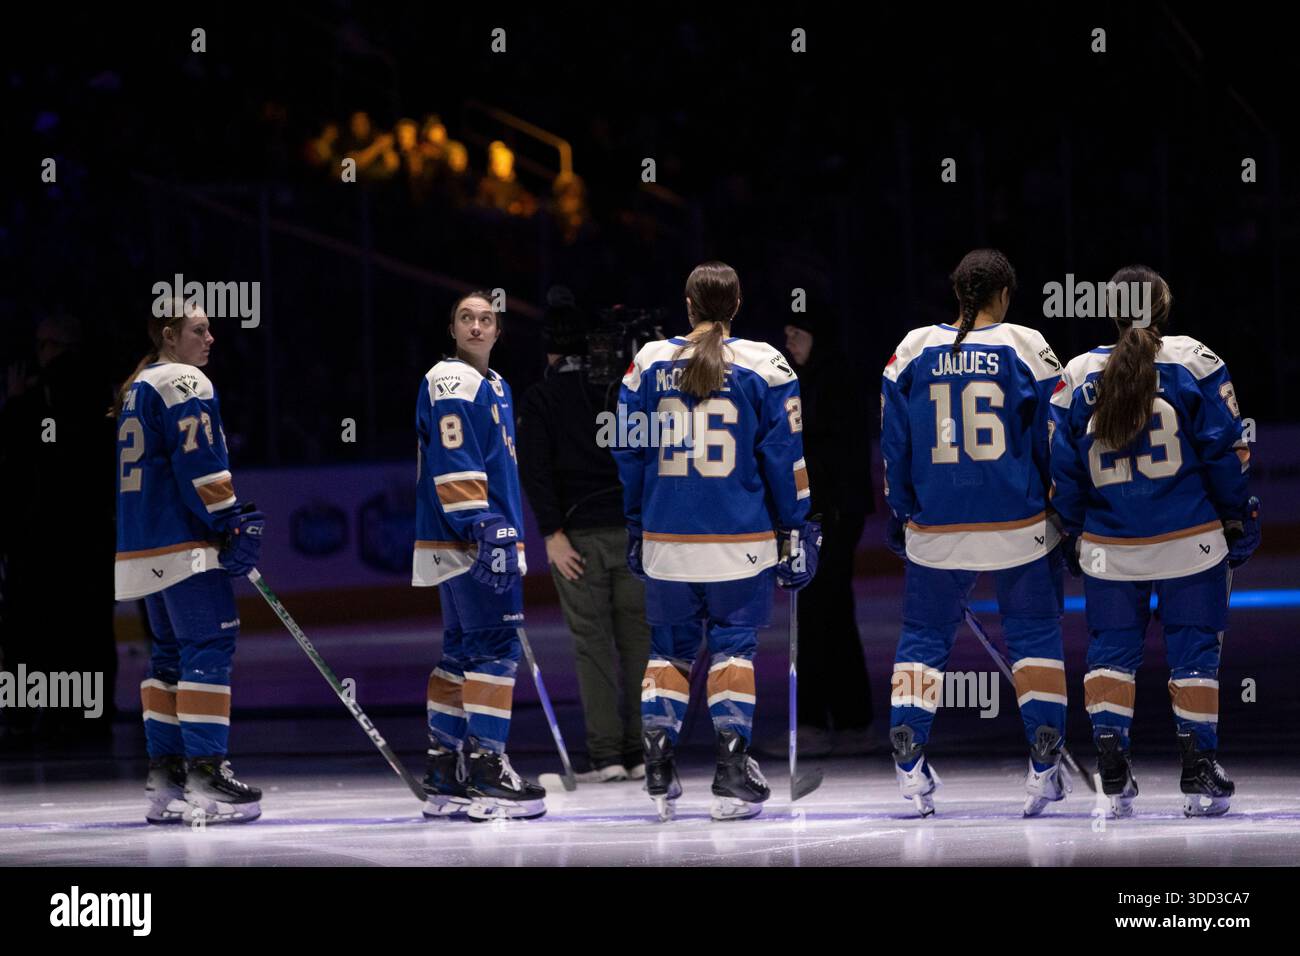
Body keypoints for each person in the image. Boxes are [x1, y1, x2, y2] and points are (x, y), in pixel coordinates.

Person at [613, 261, 821, 822]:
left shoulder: (647, 364)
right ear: (737, 304)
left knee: (669, 651)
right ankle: (730, 770)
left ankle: (658, 765)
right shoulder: (766, 365)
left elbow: (629, 455)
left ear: (687, 304)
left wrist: (637, 523)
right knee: (733, 649)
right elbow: (786, 458)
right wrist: (797, 524)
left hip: (666, 538)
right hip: (740, 541)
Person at [1050, 265, 1259, 818]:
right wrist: (1238, 513)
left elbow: (1063, 469)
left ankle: (1112, 766)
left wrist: (1072, 525)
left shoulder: (1077, 374)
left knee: (1111, 653)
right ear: (1164, 307)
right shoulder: (1195, 360)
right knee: (1193, 653)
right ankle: (1198, 768)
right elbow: (1224, 450)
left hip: (1109, 545)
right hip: (1189, 538)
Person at [880, 249, 1069, 817]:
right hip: (1020, 523)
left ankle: (909, 762)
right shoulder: (1027, 346)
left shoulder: (911, 349)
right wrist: (1061, 509)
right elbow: (1054, 441)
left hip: (937, 523)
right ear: (1003, 295)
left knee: (921, 642)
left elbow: (894, 444)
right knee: (1035, 639)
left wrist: (901, 510)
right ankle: (1044, 763)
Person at [112, 300, 266, 824]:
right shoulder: (185, 381)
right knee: (209, 645)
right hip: (183, 544)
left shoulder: (140, 384)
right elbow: (199, 462)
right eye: (199, 329)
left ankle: (166, 779)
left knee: (168, 659)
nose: (211, 338)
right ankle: (206, 774)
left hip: (141, 545)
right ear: (170, 336)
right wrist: (230, 522)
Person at [413, 291, 546, 821]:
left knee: (461, 654)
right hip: (473, 541)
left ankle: (445, 771)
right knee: (494, 651)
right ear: (452, 328)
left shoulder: (495, 385)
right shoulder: (453, 381)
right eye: (466, 318)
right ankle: (488, 770)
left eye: (485, 319)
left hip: (467, 539)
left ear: (498, 331)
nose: (475, 326)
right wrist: (484, 524)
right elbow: (455, 458)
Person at [517, 297, 651, 782]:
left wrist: (550, 532)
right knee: (638, 641)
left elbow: (534, 471)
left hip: (576, 538)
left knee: (593, 644)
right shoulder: (622, 389)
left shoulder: (542, 398)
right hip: (630, 532)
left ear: (550, 351)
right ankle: (641, 753)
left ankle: (608, 756)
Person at [777, 301, 875, 756]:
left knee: (821, 611)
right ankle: (847, 717)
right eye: (788, 334)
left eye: (799, 334)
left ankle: (825, 719)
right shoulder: (808, 378)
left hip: (832, 514)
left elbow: (831, 450)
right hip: (824, 512)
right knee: (824, 611)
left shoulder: (835, 380)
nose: (790, 342)